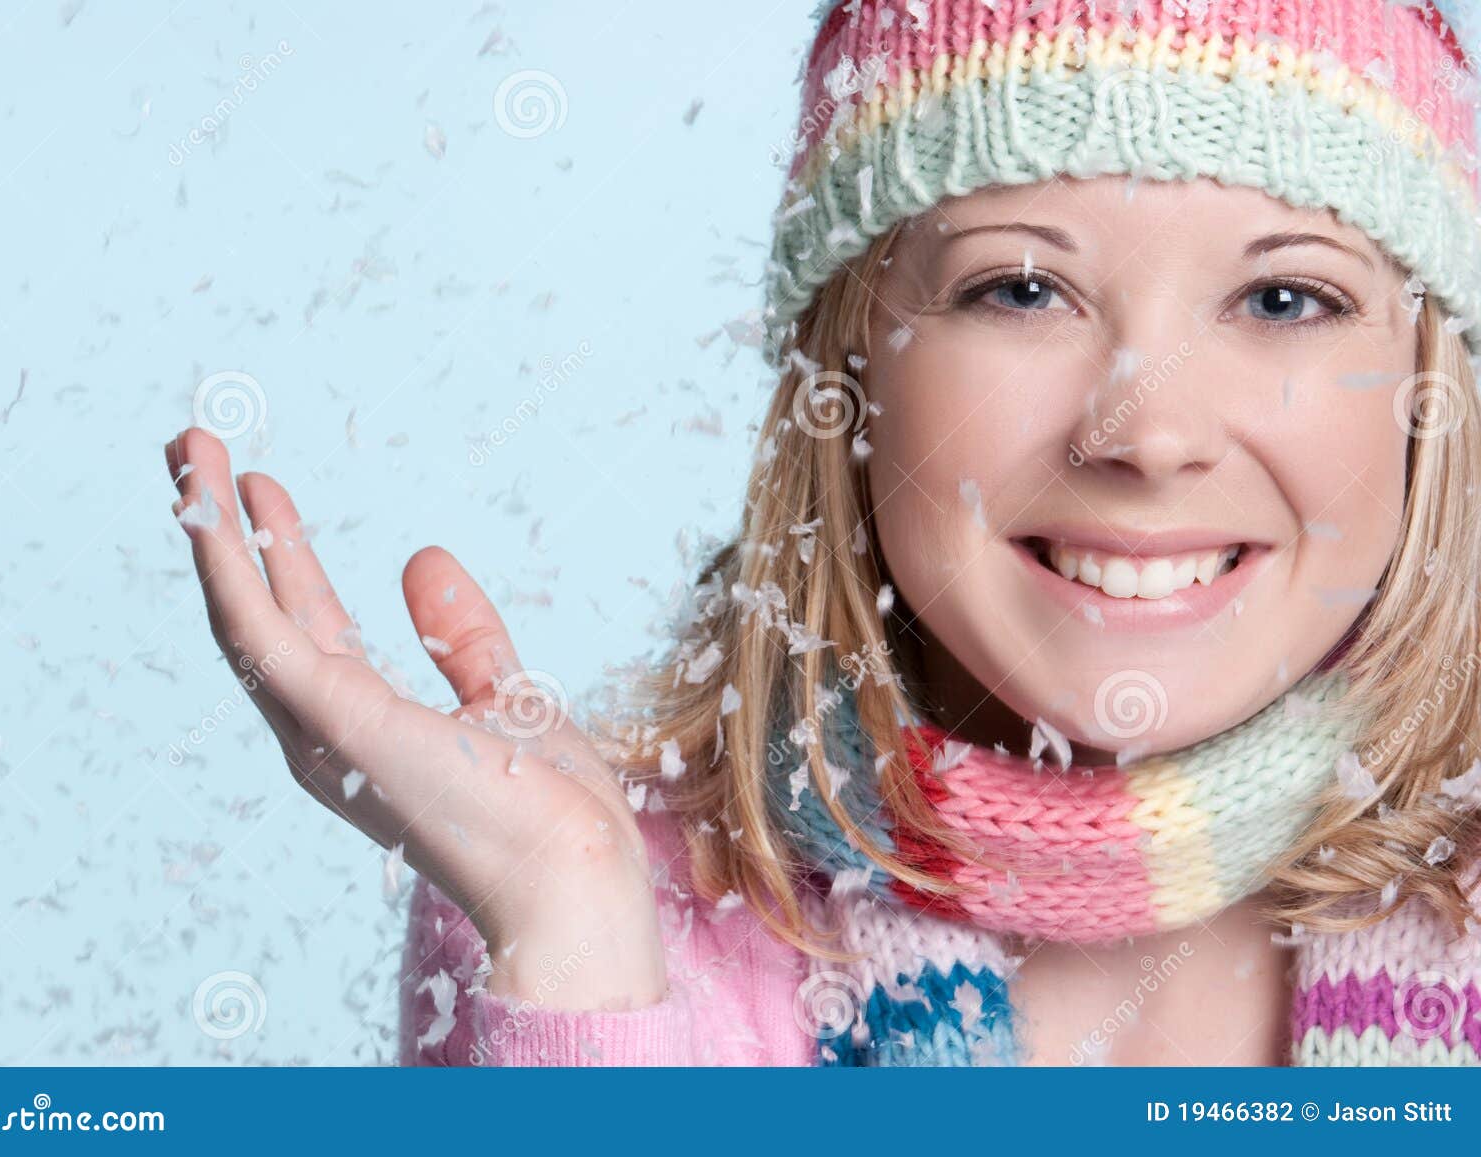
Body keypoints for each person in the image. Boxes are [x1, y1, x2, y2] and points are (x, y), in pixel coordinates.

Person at [166, 0, 1481, 1066]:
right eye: (1022, 289)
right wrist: (570, 943)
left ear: (1430, 388)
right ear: (845, 369)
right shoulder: (620, 897)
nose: (1148, 432)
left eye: (1286, 299)